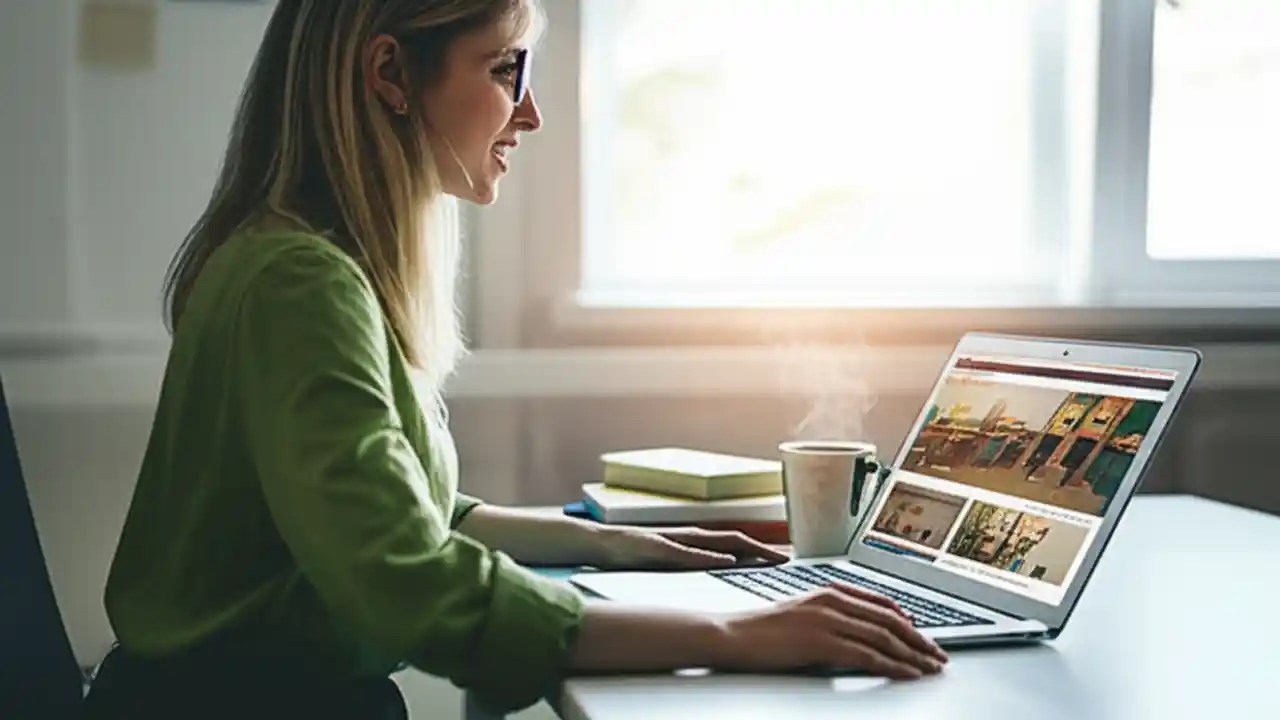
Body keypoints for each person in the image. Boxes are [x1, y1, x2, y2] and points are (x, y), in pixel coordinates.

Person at [84, 1, 947, 717]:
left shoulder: (306, 262)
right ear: (388, 74)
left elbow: (409, 517)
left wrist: (619, 547)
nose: (528, 113)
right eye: (506, 71)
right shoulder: (299, 284)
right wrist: (735, 638)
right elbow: (409, 582)